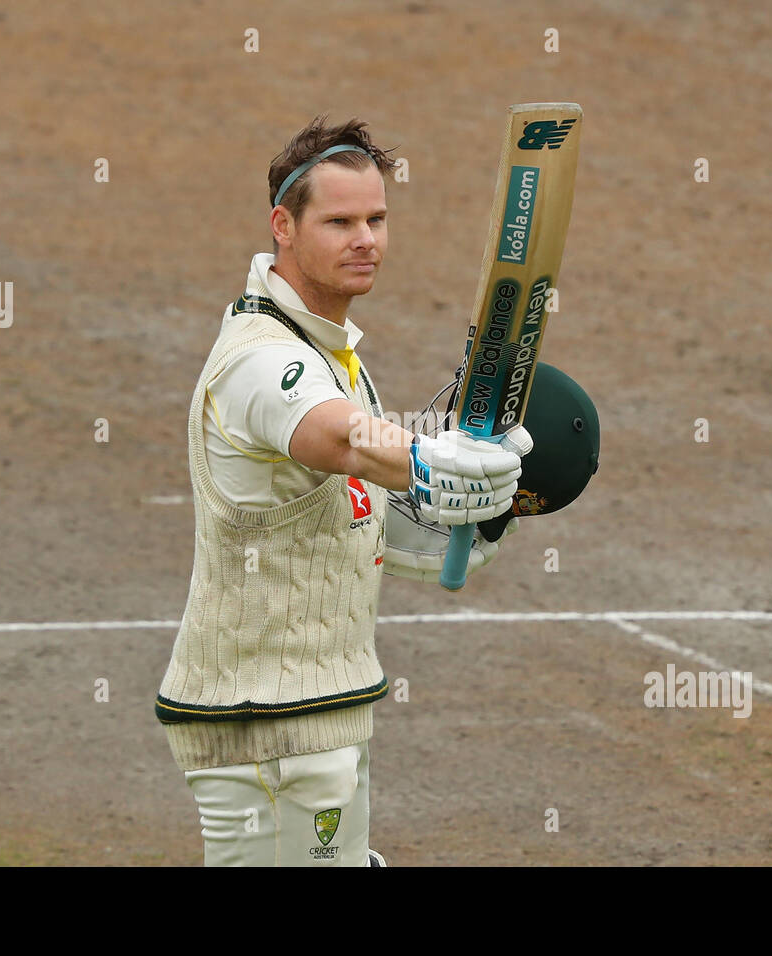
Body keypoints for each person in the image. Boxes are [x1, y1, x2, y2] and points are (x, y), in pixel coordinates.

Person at [154, 114, 531, 866]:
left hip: (318, 715)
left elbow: (372, 523)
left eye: (377, 219)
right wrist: (434, 458)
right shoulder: (261, 364)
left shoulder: (333, 359)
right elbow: (345, 439)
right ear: (282, 228)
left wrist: (492, 507)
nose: (366, 239)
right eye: (339, 221)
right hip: (264, 720)